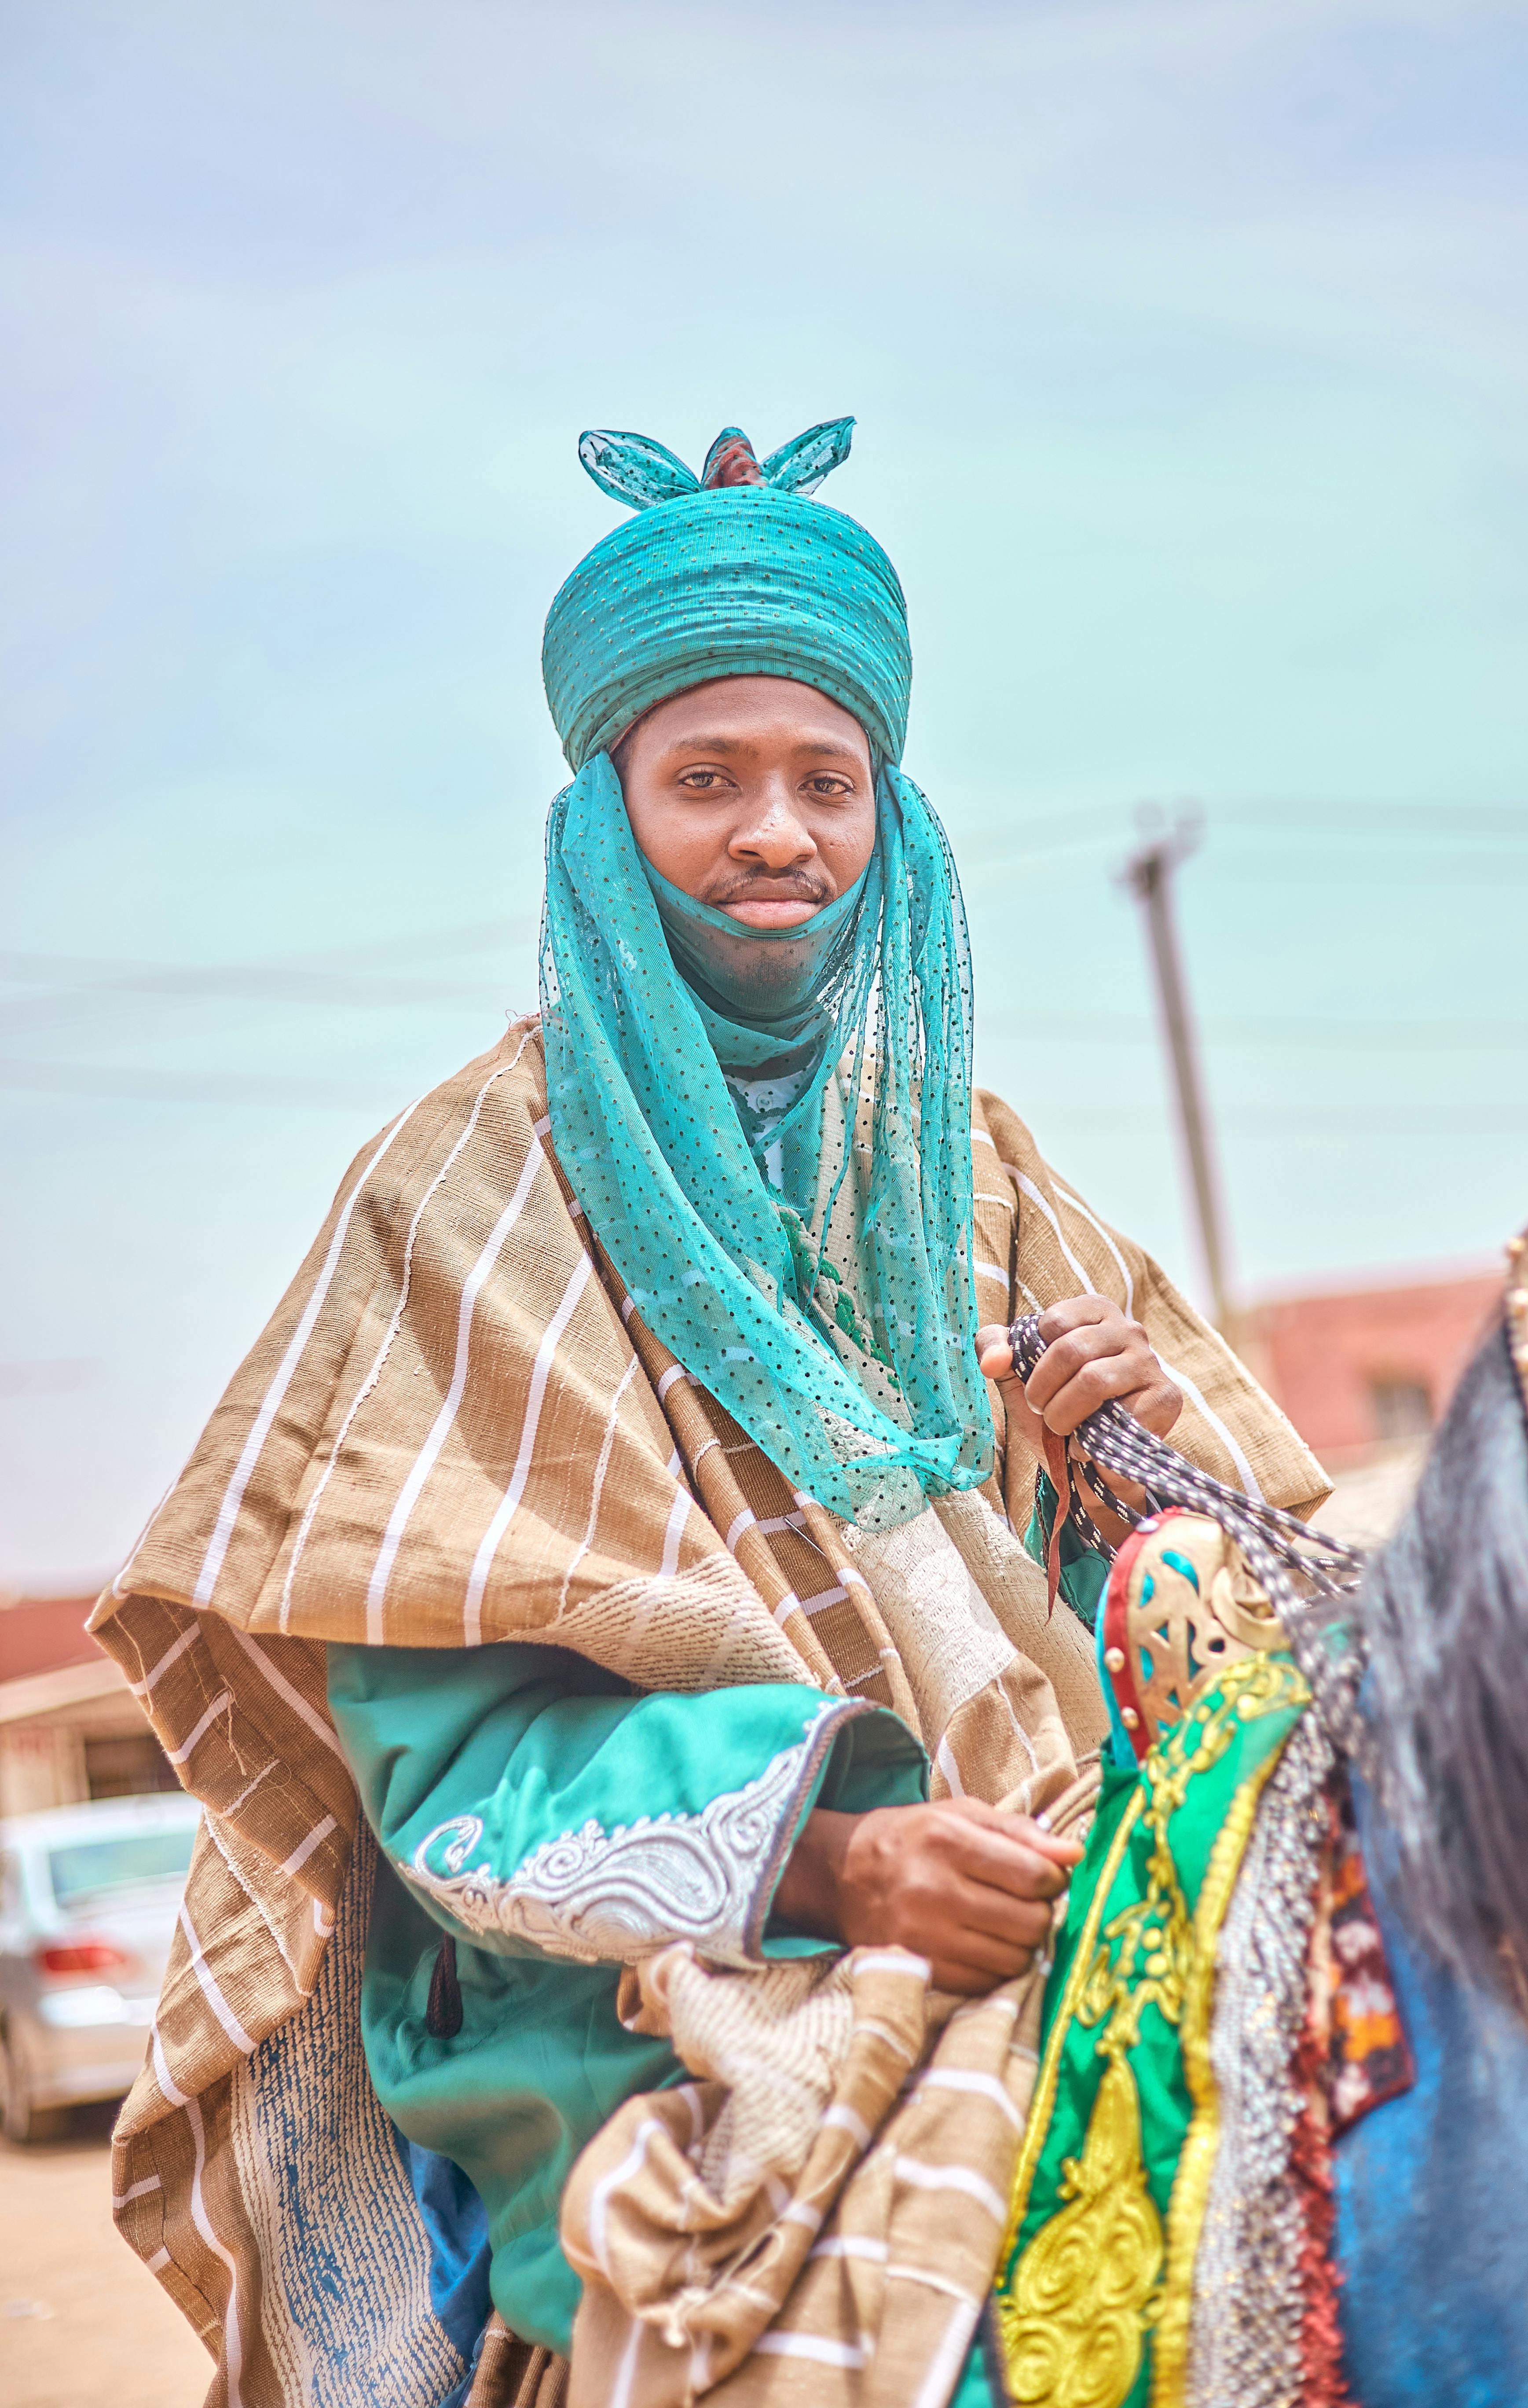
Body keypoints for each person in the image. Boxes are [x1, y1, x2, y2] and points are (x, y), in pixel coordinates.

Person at [94, 417, 1326, 2408]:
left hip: (1051, 1876)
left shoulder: (981, 1174)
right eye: (708, 781)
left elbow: (1209, 1591)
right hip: (647, 1996)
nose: (778, 835)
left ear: (892, 811)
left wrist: (1122, 1452)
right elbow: (445, 1764)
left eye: (827, 782)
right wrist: (840, 1869)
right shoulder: (456, 1195)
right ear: (603, 811)